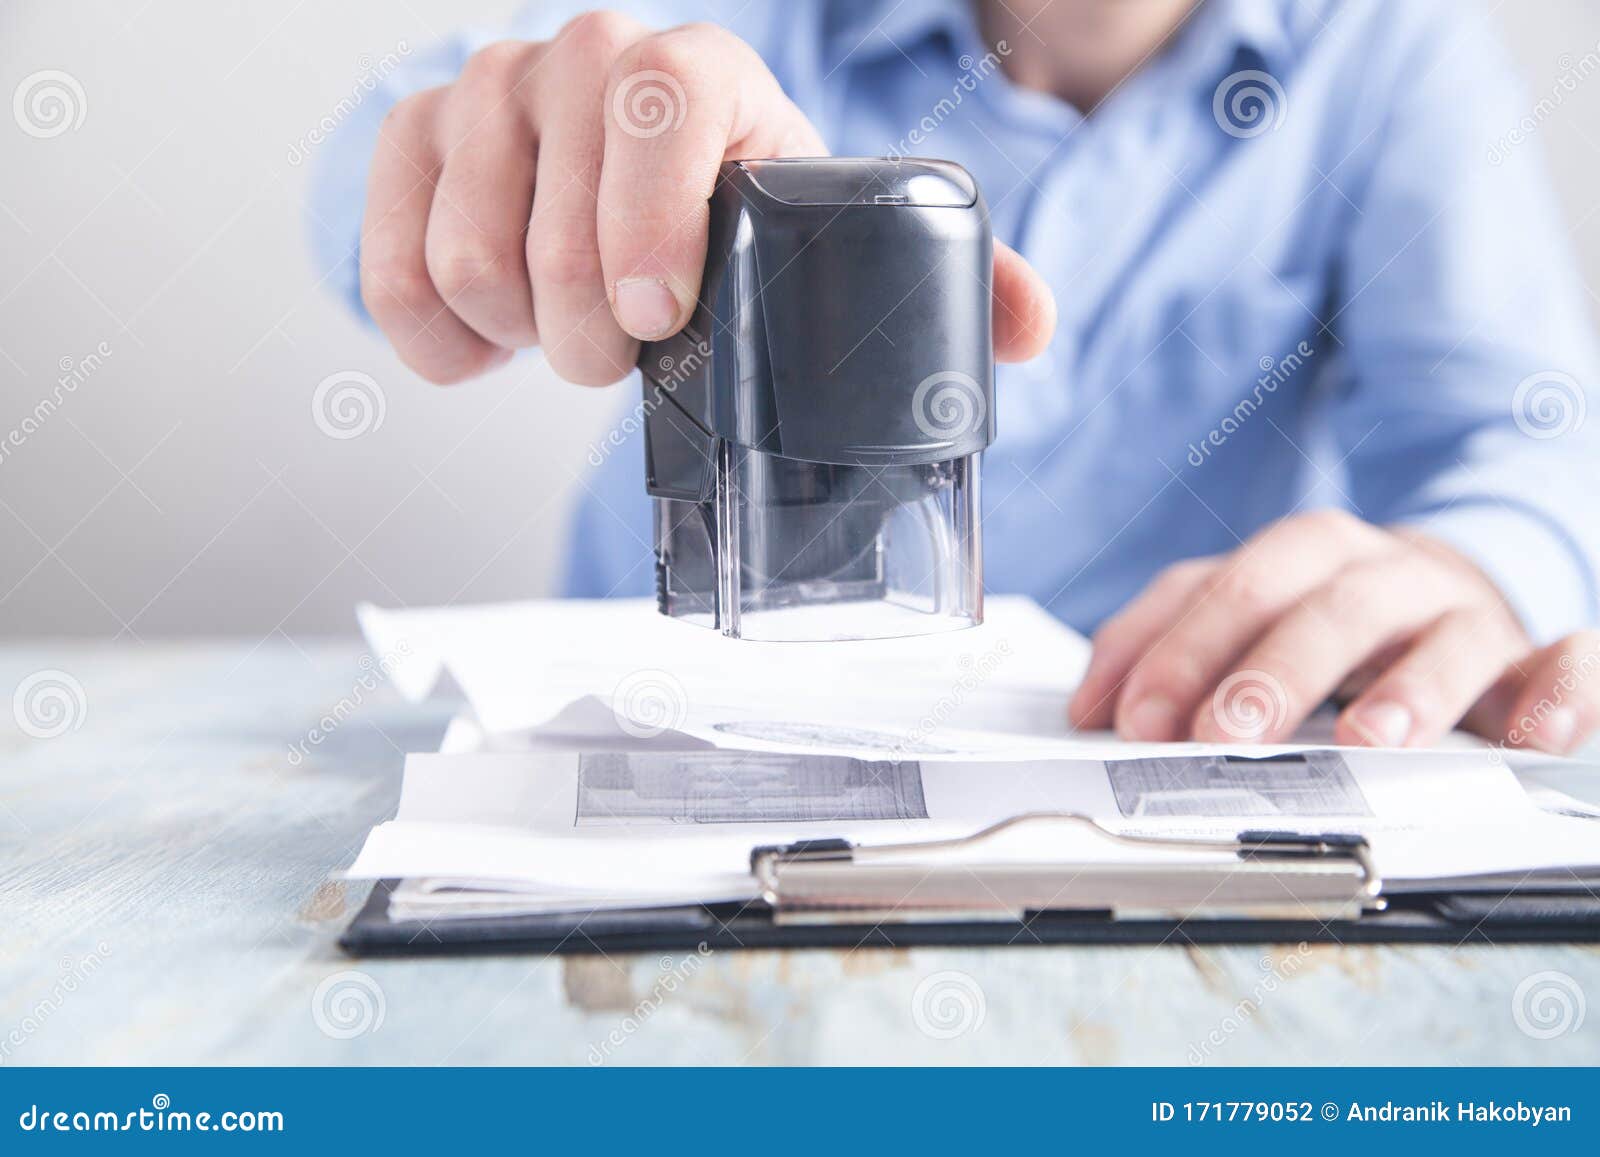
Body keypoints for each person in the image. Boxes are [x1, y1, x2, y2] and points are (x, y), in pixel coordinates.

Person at [312, 0, 1600, 752]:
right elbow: (367, 177)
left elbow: (1518, 437)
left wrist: (1479, 570)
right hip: (671, 730)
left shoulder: (1387, 49)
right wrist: (499, 151)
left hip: (1147, 749)